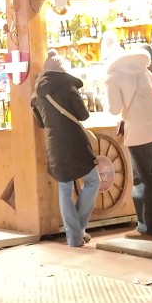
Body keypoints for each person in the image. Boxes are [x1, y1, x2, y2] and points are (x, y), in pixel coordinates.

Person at [105, 43, 152, 240]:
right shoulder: (143, 69)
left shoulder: (113, 77)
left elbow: (114, 108)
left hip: (137, 130)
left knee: (144, 178)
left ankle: (146, 227)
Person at [31, 51, 99, 248]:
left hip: (53, 143)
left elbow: (40, 122)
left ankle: (74, 235)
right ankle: (77, 230)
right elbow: (83, 115)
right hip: (74, 141)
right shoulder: (67, 86)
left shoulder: (37, 93)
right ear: (62, 68)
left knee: (65, 186)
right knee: (93, 180)